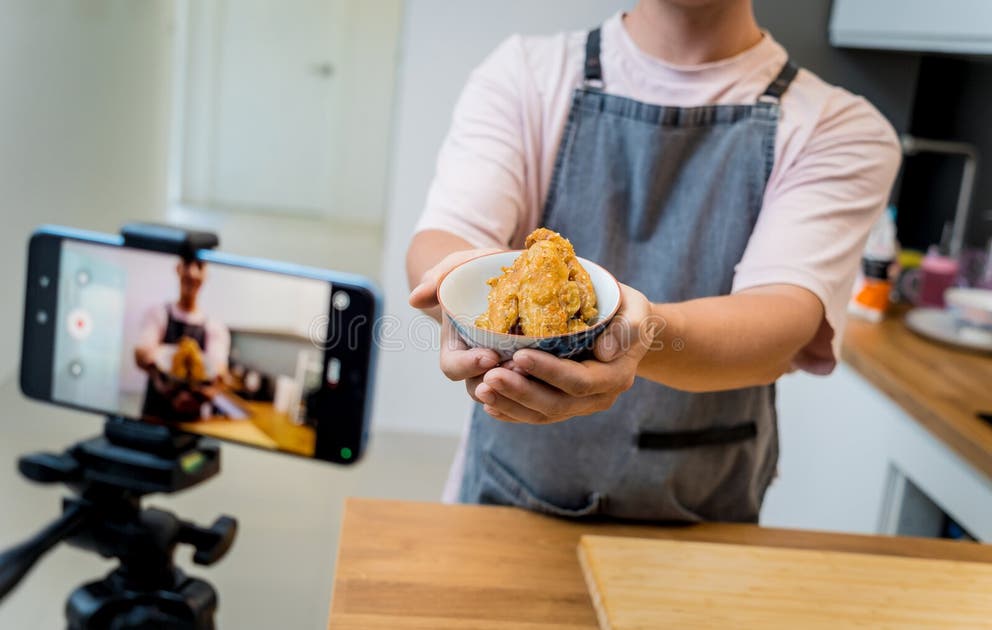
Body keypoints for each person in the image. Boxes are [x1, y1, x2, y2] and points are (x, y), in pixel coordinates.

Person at [406, 0, 901, 522]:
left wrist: (636, 335)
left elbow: (783, 321)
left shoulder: (842, 129)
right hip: (511, 500)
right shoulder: (525, 73)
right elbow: (446, 238)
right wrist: (458, 283)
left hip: (700, 518)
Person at [134, 257, 230, 421]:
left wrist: (205, 395)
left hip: (192, 421)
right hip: (155, 417)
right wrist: (157, 374)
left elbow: (219, 372)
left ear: (206, 275)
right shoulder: (158, 314)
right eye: (187, 265)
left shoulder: (215, 328)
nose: (192, 273)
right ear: (178, 268)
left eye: (199, 267)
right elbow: (141, 354)